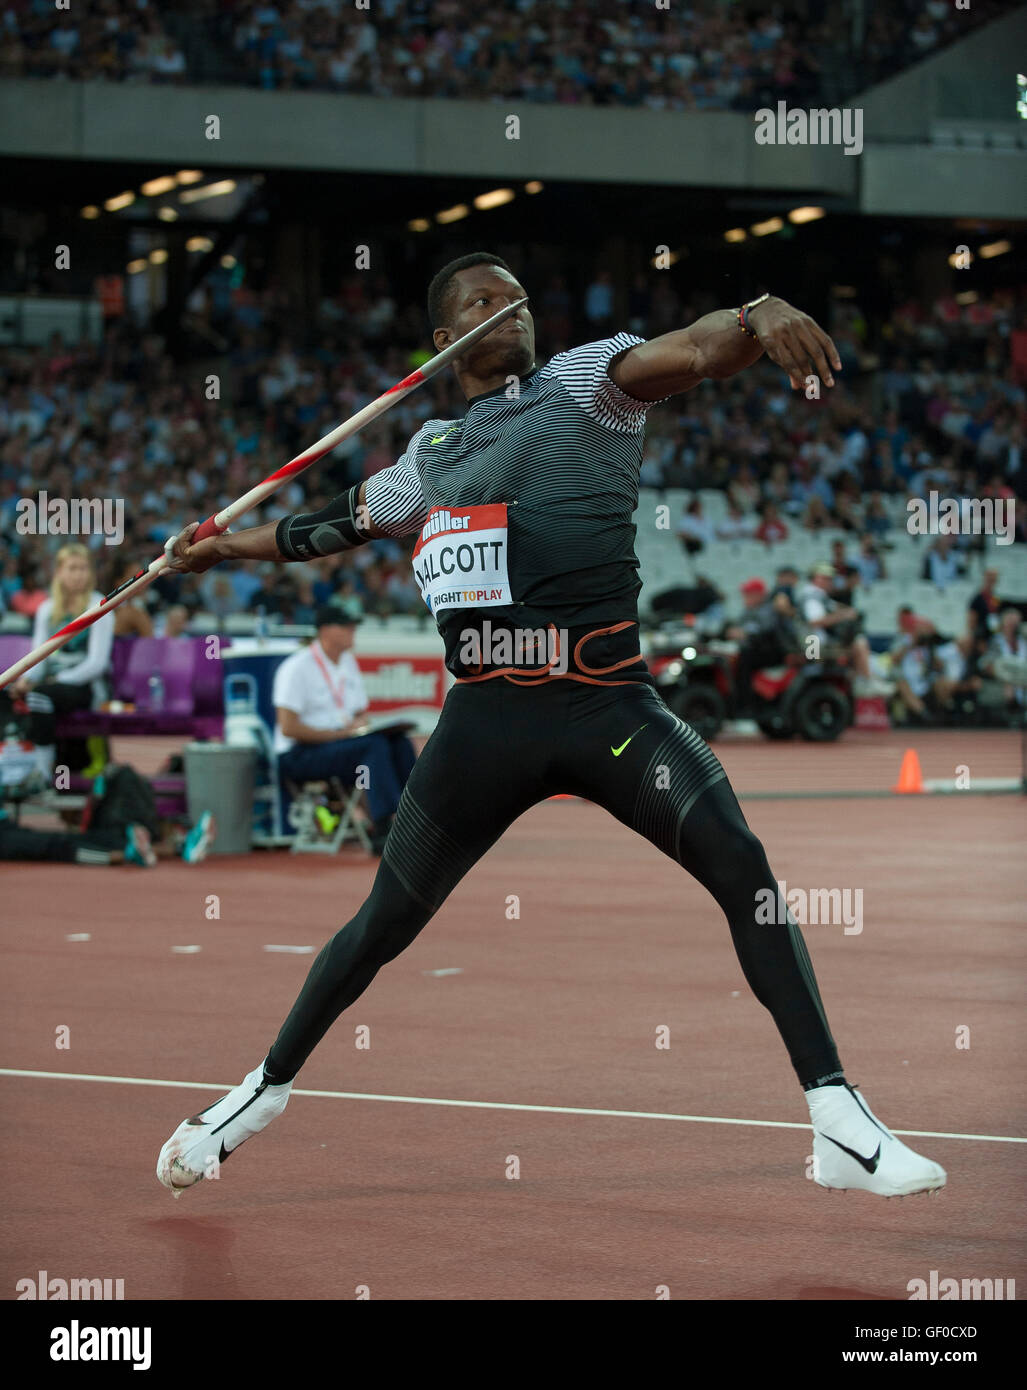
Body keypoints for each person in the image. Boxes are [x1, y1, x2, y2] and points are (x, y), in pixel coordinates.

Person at [158, 254, 945, 1201]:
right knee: (380, 926)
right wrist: (212, 552)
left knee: (745, 870)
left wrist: (753, 312)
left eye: (518, 293)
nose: (514, 306)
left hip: (607, 706)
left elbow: (693, 352)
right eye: (486, 301)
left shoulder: (586, 383)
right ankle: (254, 1097)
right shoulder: (431, 459)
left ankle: (835, 1118)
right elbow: (326, 526)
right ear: (445, 341)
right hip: (484, 724)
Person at [272, 604, 416, 852]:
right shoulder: (296, 667)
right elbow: (288, 728)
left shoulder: (348, 662)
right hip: (299, 754)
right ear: (325, 630)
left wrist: (360, 726)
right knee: (374, 747)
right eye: (346, 626)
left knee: (399, 742)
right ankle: (382, 827)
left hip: (340, 745)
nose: (353, 630)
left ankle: (415, 819)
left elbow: (359, 711)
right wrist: (340, 735)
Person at [0, 543, 113, 780]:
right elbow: (38, 657)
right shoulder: (47, 609)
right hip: (51, 685)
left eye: (83, 568)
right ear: (59, 572)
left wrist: (54, 680)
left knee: (39, 695)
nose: (79, 574)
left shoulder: (101, 605)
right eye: (72, 568)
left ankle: (42, 776)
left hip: (85, 685)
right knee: (7, 694)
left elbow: (96, 664)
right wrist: (25, 680)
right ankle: (11, 769)